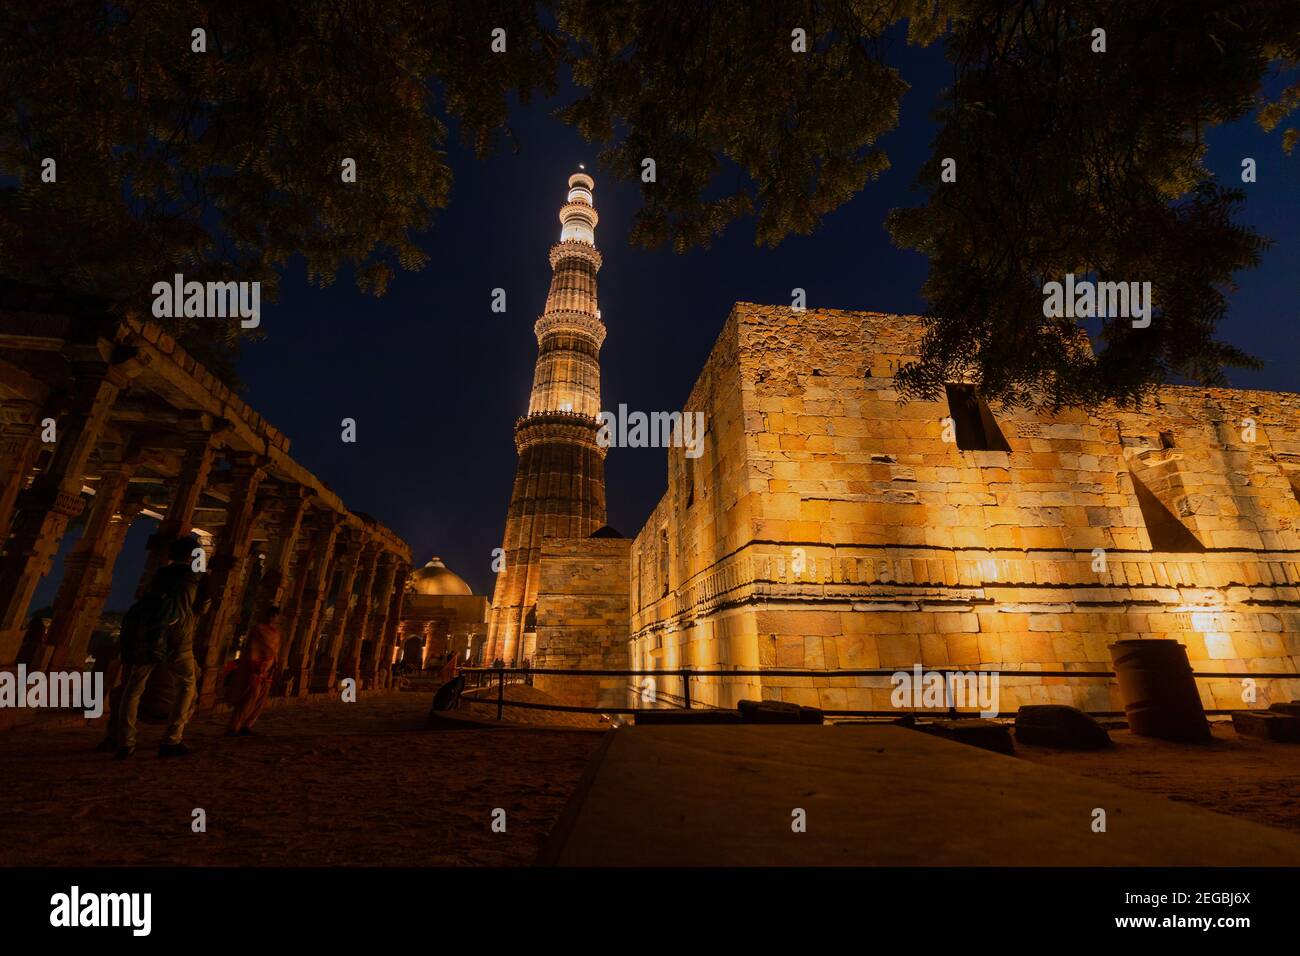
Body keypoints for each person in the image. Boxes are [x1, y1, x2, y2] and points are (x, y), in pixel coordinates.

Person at [116, 535, 209, 758]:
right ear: (192, 556)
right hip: (178, 638)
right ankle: (172, 739)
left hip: (148, 635)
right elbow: (202, 607)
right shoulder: (192, 576)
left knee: (133, 688)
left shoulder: (159, 574)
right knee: (187, 684)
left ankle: (125, 741)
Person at [226, 605, 282, 737]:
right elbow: (253, 648)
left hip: (268, 670)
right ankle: (234, 727)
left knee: (260, 701)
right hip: (256, 668)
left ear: (278, 618)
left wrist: (274, 663)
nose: (271, 618)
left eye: (274, 616)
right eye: (270, 615)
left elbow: (274, 651)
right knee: (249, 698)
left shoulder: (276, 633)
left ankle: (247, 725)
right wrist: (257, 665)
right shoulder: (258, 630)